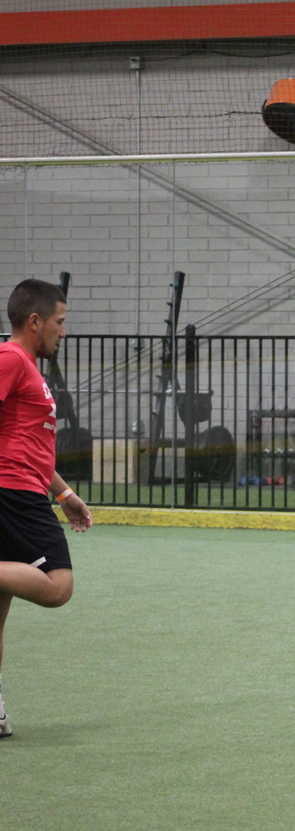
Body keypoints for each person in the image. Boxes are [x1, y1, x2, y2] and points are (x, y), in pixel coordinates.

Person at [0, 279, 93, 738]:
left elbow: (32, 445)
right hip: (12, 494)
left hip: (25, 488)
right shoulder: (12, 359)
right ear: (34, 322)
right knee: (58, 586)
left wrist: (64, 493)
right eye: (60, 322)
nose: (63, 331)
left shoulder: (28, 368)